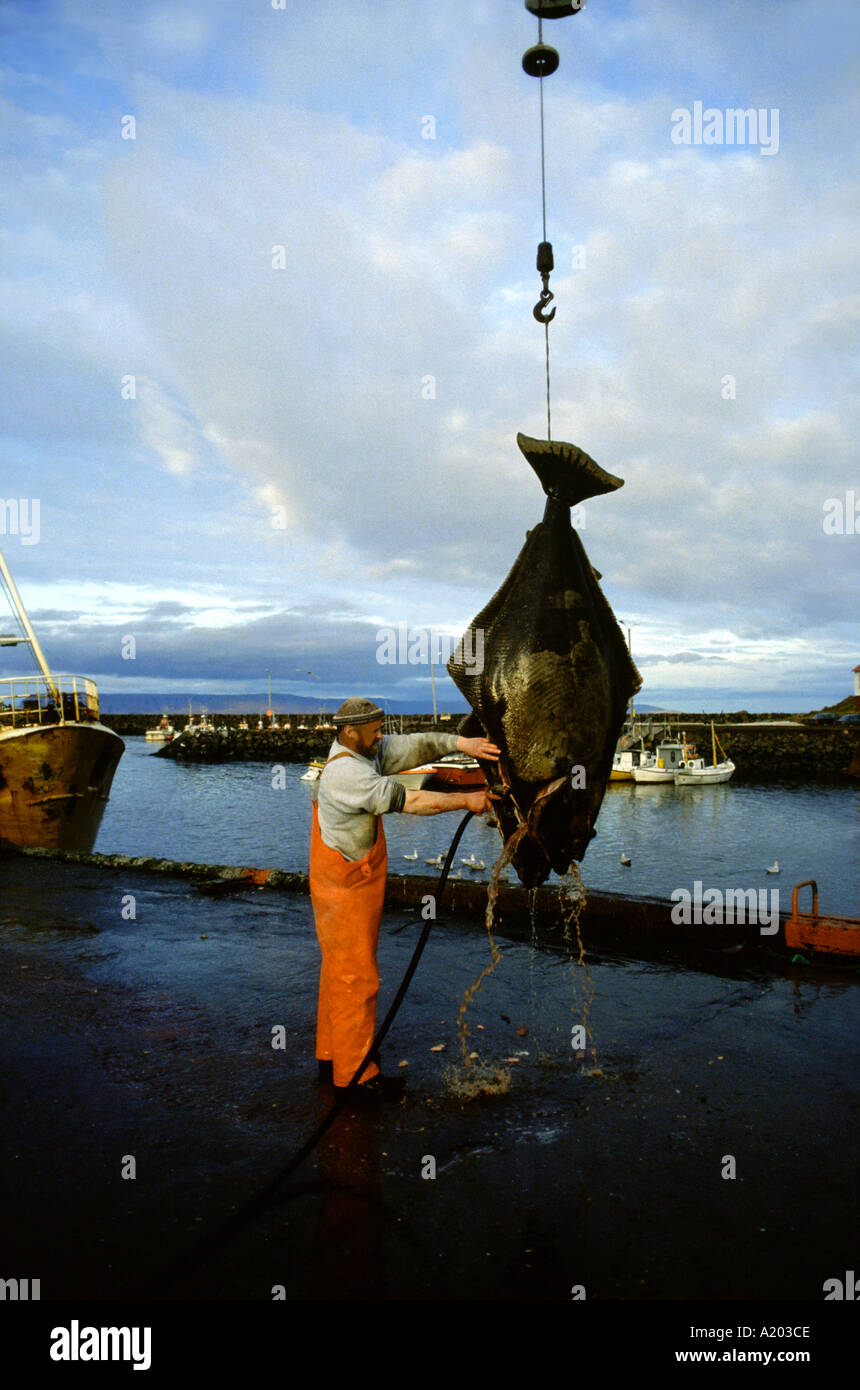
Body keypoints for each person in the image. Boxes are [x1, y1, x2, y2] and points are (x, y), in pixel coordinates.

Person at [309, 697, 500, 1101]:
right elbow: (409, 800)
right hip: (344, 887)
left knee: (338, 972)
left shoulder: (366, 752)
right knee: (356, 977)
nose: (382, 736)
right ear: (349, 732)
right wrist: (467, 800)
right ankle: (355, 1079)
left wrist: (461, 744)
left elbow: (415, 745)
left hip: (346, 877)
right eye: (375, 730)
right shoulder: (347, 774)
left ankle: (332, 1057)